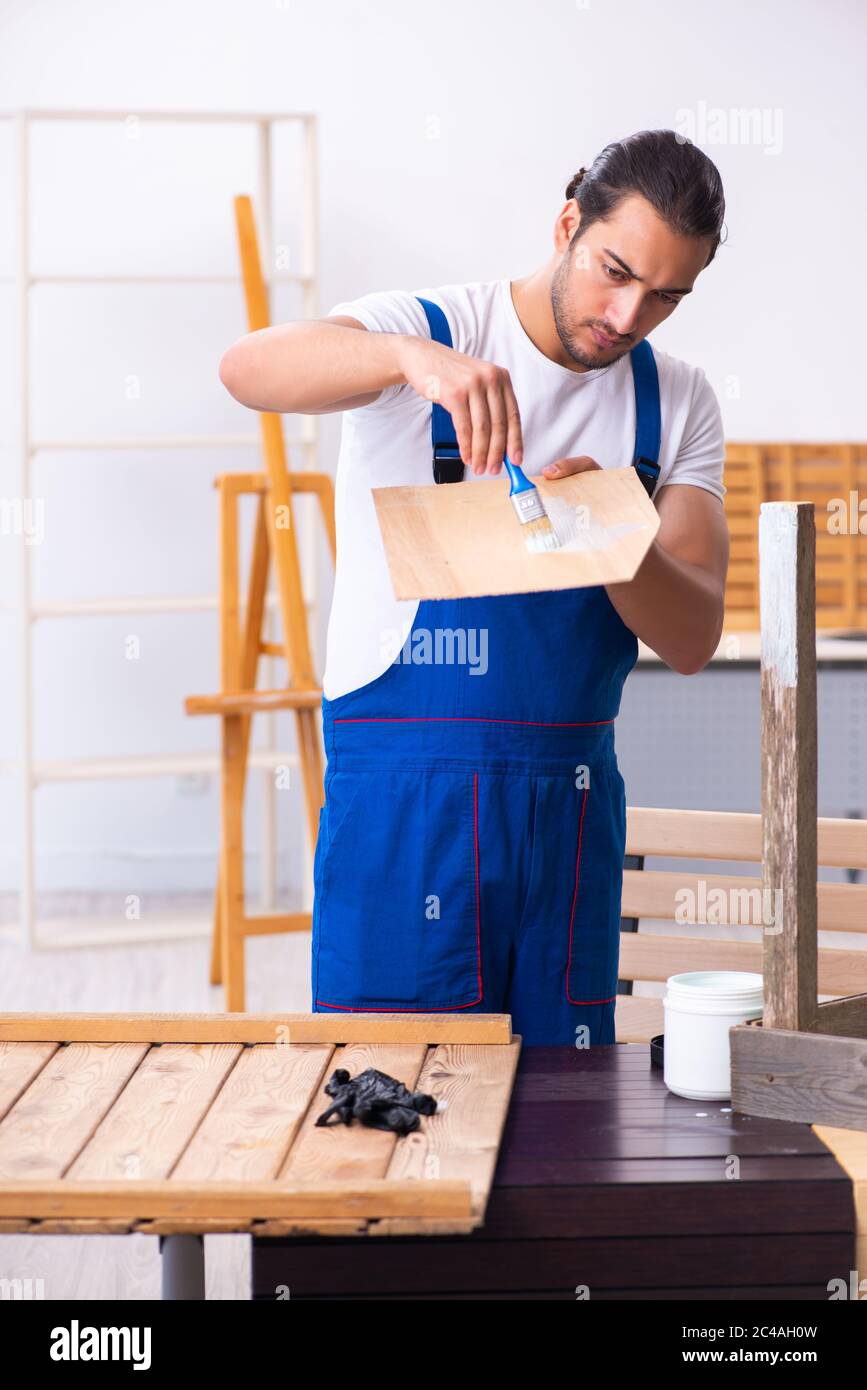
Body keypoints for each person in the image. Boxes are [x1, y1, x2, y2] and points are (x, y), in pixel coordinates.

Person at [219, 128, 730, 1046]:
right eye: (614, 271)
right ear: (568, 221)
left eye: (665, 297)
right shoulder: (436, 329)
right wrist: (410, 360)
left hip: (567, 808)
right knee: (390, 1109)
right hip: (402, 797)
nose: (626, 314)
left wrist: (608, 530)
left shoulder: (676, 401)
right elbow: (246, 368)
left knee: (558, 1127)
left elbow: (691, 636)